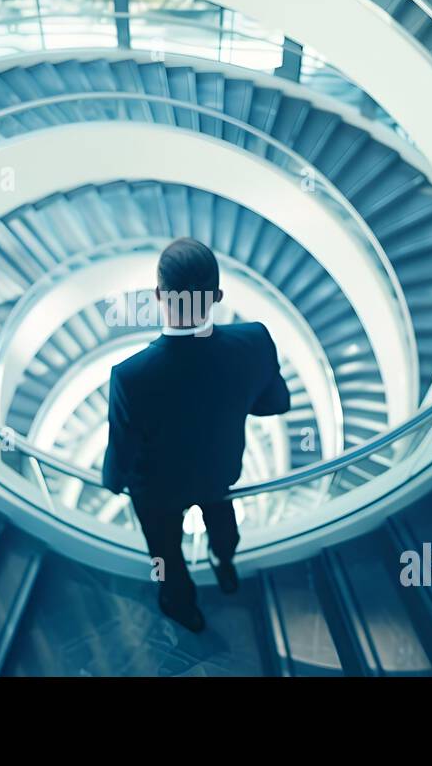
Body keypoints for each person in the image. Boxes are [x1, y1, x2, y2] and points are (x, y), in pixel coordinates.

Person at [102, 238, 291, 632]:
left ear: (158, 295)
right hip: (217, 474)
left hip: (157, 492)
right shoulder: (254, 341)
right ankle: (224, 565)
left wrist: (113, 482)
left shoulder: (131, 376)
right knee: (222, 523)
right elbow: (276, 403)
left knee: (166, 555)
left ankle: (182, 606)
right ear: (218, 296)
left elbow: (122, 452)